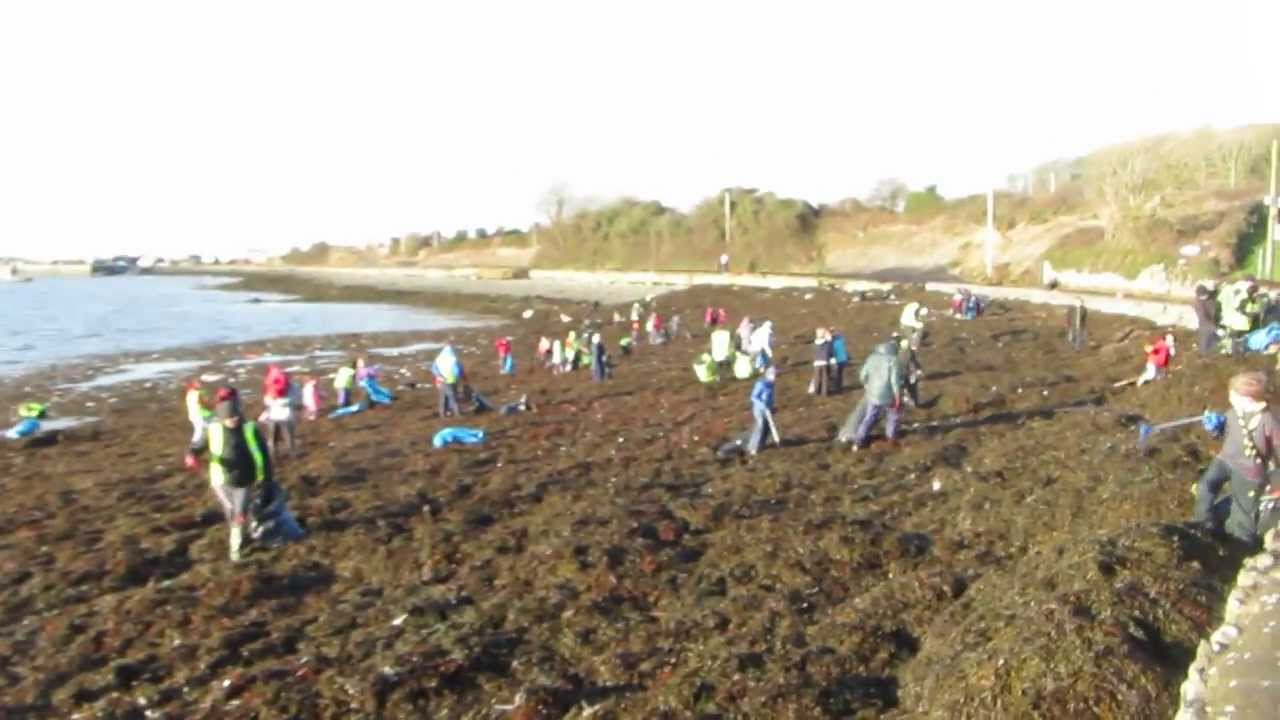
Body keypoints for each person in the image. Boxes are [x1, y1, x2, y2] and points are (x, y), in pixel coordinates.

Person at [186, 387, 272, 562]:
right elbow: (199, 446)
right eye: (229, 418)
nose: (233, 421)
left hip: (246, 479)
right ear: (222, 418)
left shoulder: (250, 429)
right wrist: (192, 455)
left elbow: (263, 454)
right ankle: (238, 542)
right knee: (232, 512)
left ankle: (237, 544)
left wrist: (267, 477)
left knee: (239, 512)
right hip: (221, 480)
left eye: (235, 417)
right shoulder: (213, 429)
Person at [1194, 371, 1280, 546]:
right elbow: (1225, 435)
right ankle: (1204, 524)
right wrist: (1214, 428)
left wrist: (1277, 481)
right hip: (1225, 459)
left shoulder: (1268, 421)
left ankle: (1242, 548)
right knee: (1205, 486)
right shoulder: (1232, 413)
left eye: (1234, 395)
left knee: (1242, 513)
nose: (1230, 398)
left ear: (1248, 399)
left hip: (1249, 471)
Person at [849, 341, 903, 451]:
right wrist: (898, 397)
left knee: (869, 417)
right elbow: (894, 381)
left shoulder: (871, 358)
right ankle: (890, 438)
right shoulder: (893, 361)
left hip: (872, 394)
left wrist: (867, 386)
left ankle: (858, 441)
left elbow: (863, 375)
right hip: (888, 395)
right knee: (893, 416)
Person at [262, 377, 298, 461]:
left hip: (273, 417)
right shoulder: (291, 390)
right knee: (288, 437)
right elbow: (294, 400)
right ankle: (292, 454)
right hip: (285, 417)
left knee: (272, 439)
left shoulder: (271, 390)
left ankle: (273, 456)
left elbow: (266, 401)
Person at [747, 366, 778, 456]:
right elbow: (753, 397)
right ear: (768, 375)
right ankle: (753, 447)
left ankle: (762, 445)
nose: (775, 377)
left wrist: (772, 407)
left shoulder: (772, 384)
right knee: (760, 427)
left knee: (767, 428)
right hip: (759, 410)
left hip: (768, 409)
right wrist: (763, 405)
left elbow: (770, 398)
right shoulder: (761, 384)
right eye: (774, 375)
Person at [431, 344, 464, 417]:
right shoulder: (453, 360)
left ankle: (442, 413)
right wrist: (460, 377)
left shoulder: (438, 359)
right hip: (451, 380)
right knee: (453, 396)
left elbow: (433, 369)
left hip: (441, 381)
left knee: (443, 398)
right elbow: (459, 370)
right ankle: (457, 413)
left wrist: (439, 376)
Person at [894, 334, 925, 407]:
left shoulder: (899, 353)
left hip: (905, 374)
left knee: (906, 388)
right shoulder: (908, 353)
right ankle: (912, 401)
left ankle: (908, 400)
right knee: (911, 389)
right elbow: (914, 362)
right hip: (908, 375)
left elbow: (913, 362)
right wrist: (918, 370)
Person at [1193, 283, 1219, 354]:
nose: (1207, 295)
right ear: (1199, 295)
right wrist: (1214, 328)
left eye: (1206, 293)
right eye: (1205, 294)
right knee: (1205, 343)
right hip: (1206, 326)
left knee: (1215, 342)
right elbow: (1204, 317)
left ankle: (1213, 354)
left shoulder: (1209, 298)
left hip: (1213, 323)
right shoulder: (1198, 304)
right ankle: (1205, 357)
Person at [185, 379, 210, 445]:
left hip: (192, 415)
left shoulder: (189, 393)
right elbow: (204, 403)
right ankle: (195, 444)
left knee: (198, 430)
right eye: (199, 383)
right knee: (200, 430)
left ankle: (195, 444)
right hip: (200, 414)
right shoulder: (199, 393)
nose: (201, 385)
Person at [810, 328, 832, 396]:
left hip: (816, 362)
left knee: (817, 377)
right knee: (825, 378)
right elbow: (830, 339)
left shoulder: (815, 343)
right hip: (824, 362)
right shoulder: (826, 343)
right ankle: (824, 392)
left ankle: (816, 391)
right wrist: (828, 332)